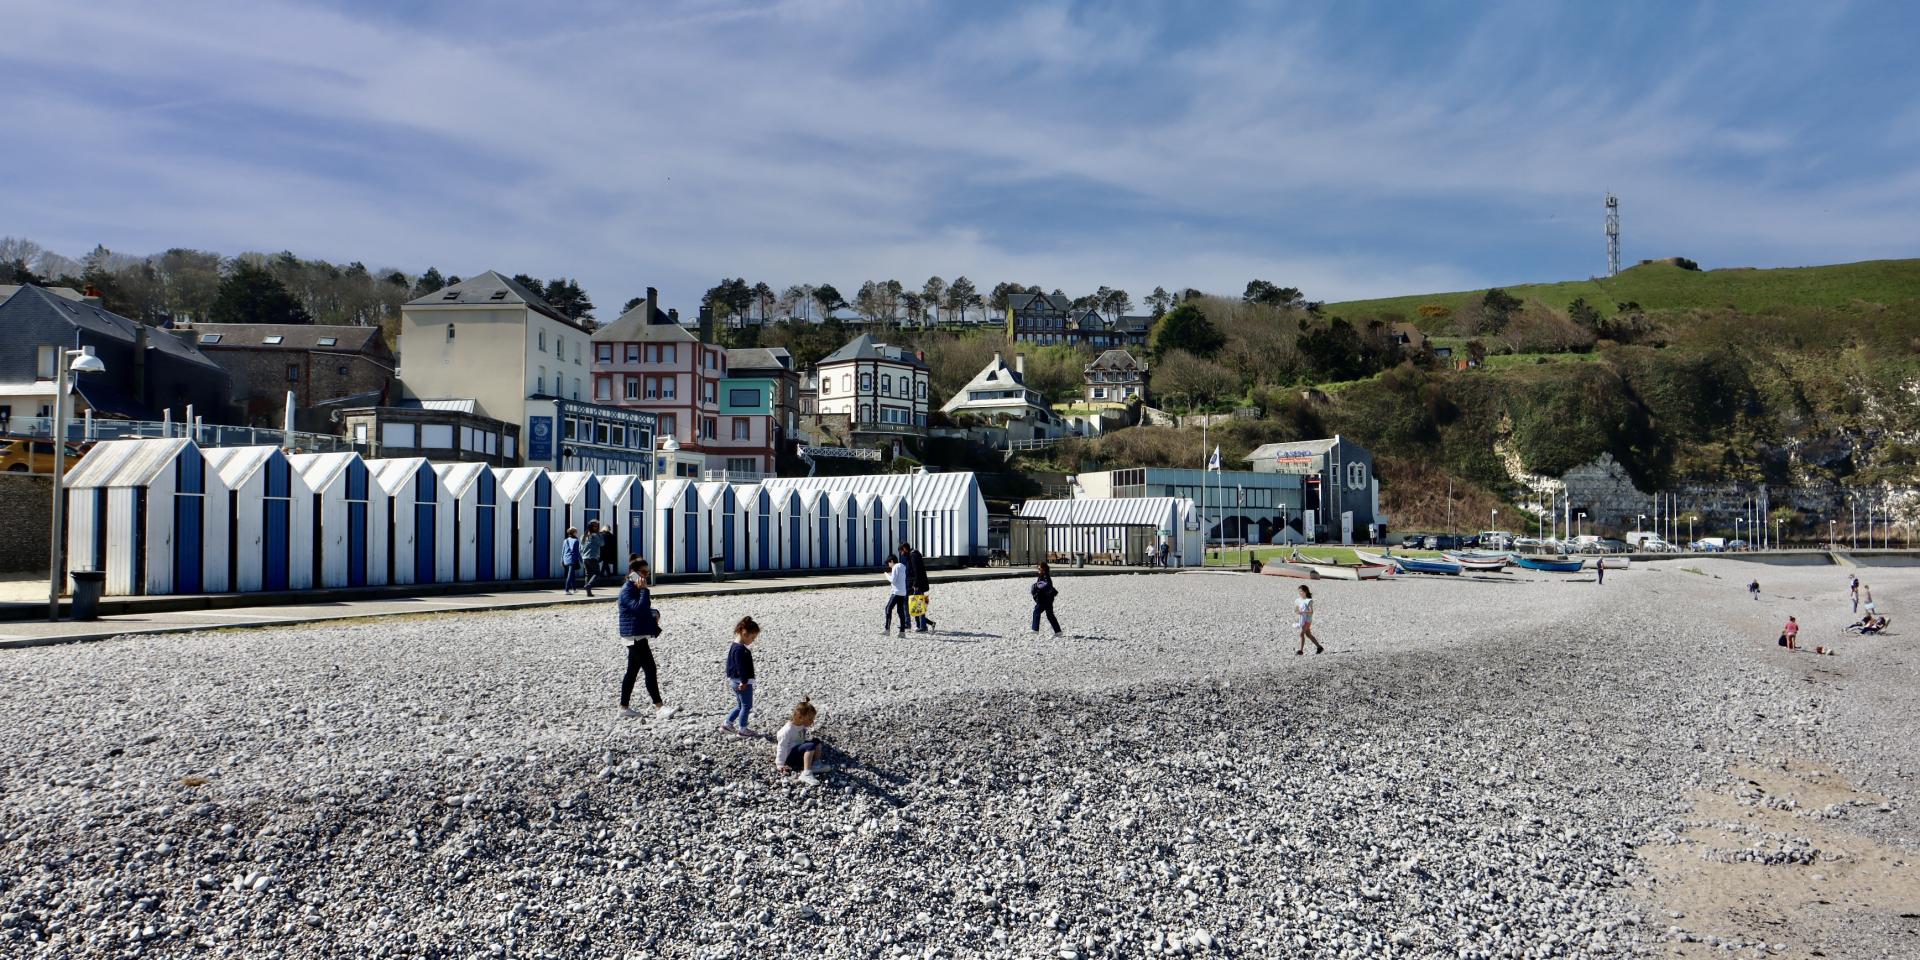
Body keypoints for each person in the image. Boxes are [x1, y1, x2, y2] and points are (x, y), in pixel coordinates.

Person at [617, 559, 676, 719]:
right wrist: (644, 590)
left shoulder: (633, 588)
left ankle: (624, 708)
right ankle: (659, 707)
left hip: (636, 634)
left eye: (647, 573)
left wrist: (654, 612)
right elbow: (638, 608)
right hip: (634, 636)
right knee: (650, 669)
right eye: (643, 572)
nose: (646, 576)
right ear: (633, 573)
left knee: (632, 672)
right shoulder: (627, 589)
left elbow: (643, 609)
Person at [721, 616, 759, 737]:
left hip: (734, 680)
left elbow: (730, 665)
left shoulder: (735, 646)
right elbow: (740, 667)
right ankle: (743, 729)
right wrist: (744, 681)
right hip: (741, 682)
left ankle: (727, 724)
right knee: (746, 705)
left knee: (740, 705)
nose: (753, 640)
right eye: (752, 637)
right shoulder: (739, 650)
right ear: (744, 633)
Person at [775, 698, 823, 787]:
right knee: (810, 746)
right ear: (800, 717)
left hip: (798, 748)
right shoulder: (787, 730)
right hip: (790, 758)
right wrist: (780, 764)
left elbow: (801, 738)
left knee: (816, 741)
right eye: (810, 719)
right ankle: (806, 773)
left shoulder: (801, 725)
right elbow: (782, 747)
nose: (812, 722)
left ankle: (816, 763)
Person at [899, 541, 932, 632]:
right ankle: (916, 624)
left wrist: (916, 584)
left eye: (901, 551)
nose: (901, 554)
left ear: (905, 549)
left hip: (917, 584)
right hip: (913, 583)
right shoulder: (912, 555)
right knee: (913, 604)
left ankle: (923, 626)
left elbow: (917, 571)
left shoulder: (914, 555)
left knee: (919, 605)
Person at [1030, 562, 1061, 635]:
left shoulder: (1045, 576)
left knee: (1036, 612)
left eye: (1039, 568)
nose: (1038, 569)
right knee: (1050, 615)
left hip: (1044, 599)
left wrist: (1037, 586)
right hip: (1048, 599)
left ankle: (1035, 629)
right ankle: (1058, 631)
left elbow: (1047, 585)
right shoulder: (1043, 575)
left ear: (1043, 569)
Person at [883, 556, 910, 637]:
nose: (889, 565)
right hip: (903, 592)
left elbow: (893, 580)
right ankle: (902, 632)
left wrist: (886, 575)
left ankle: (887, 629)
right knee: (900, 611)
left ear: (891, 561)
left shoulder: (895, 567)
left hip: (896, 592)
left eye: (889, 563)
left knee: (888, 608)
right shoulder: (903, 566)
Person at [1296, 584, 1324, 655]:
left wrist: (1303, 612)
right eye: (1299, 592)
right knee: (1308, 634)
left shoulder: (1309, 601)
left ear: (1305, 591)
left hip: (1307, 620)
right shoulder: (1298, 600)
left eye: (1301, 591)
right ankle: (1319, 647)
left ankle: (1301, 650)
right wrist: (1298, 611)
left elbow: (1311, 612)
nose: (1300, 593)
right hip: (1302, 619)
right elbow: (1297, 609)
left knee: (1301, 634)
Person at [581, 520, 604, 595]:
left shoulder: (583, 536)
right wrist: (600, 535)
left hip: (585, 557)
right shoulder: (595, 535)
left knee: (588, 574)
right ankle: (589, 585)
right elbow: (602, 543)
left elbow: (580, 547)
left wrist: (582, 555)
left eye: (597, 526)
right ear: (592, 527)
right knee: (597, 573)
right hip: (593, 557)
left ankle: (588, 592)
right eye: (595, 526)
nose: (597, 527)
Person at [562, 527, 584, 595]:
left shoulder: (565, 540)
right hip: (572, 559)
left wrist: (562, 560)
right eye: (576, 532)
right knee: (570, 574)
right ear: (574, 532)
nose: (576, 533)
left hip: (566, 559)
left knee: (572, 575)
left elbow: (563, 551)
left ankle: (574, 589)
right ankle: (566, 589)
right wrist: (581, 560)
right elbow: (577, 552)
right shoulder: (576, 541)